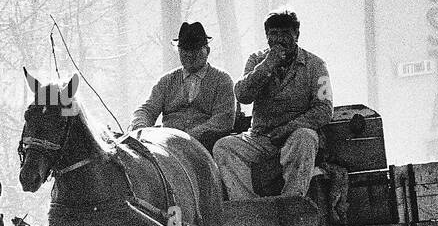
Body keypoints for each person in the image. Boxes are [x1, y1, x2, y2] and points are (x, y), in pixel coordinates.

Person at [213, 10, 332, 198]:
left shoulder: (316, 65)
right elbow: (242, 95)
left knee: (306, 137)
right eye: (273, 34)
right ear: (266, 36)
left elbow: (324, 109)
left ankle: (292, 202)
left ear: (297, 34)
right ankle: (249, 207)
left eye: (285, 33)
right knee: (224, 147)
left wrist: (289, 128)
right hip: (261, 137)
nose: (279, 40)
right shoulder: (256, 60)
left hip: (295, 136)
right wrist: (268, 65)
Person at [129, 21, 235, 151]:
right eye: (185, 51)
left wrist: (187, 138)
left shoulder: (222, 80)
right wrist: (141, 128)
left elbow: (222, 120)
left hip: (205, 148)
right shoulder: (166, 81)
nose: (190, 55)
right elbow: (147, 109)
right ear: (178, 52)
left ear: (207, 50)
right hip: (166, 147)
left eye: (196, 50)